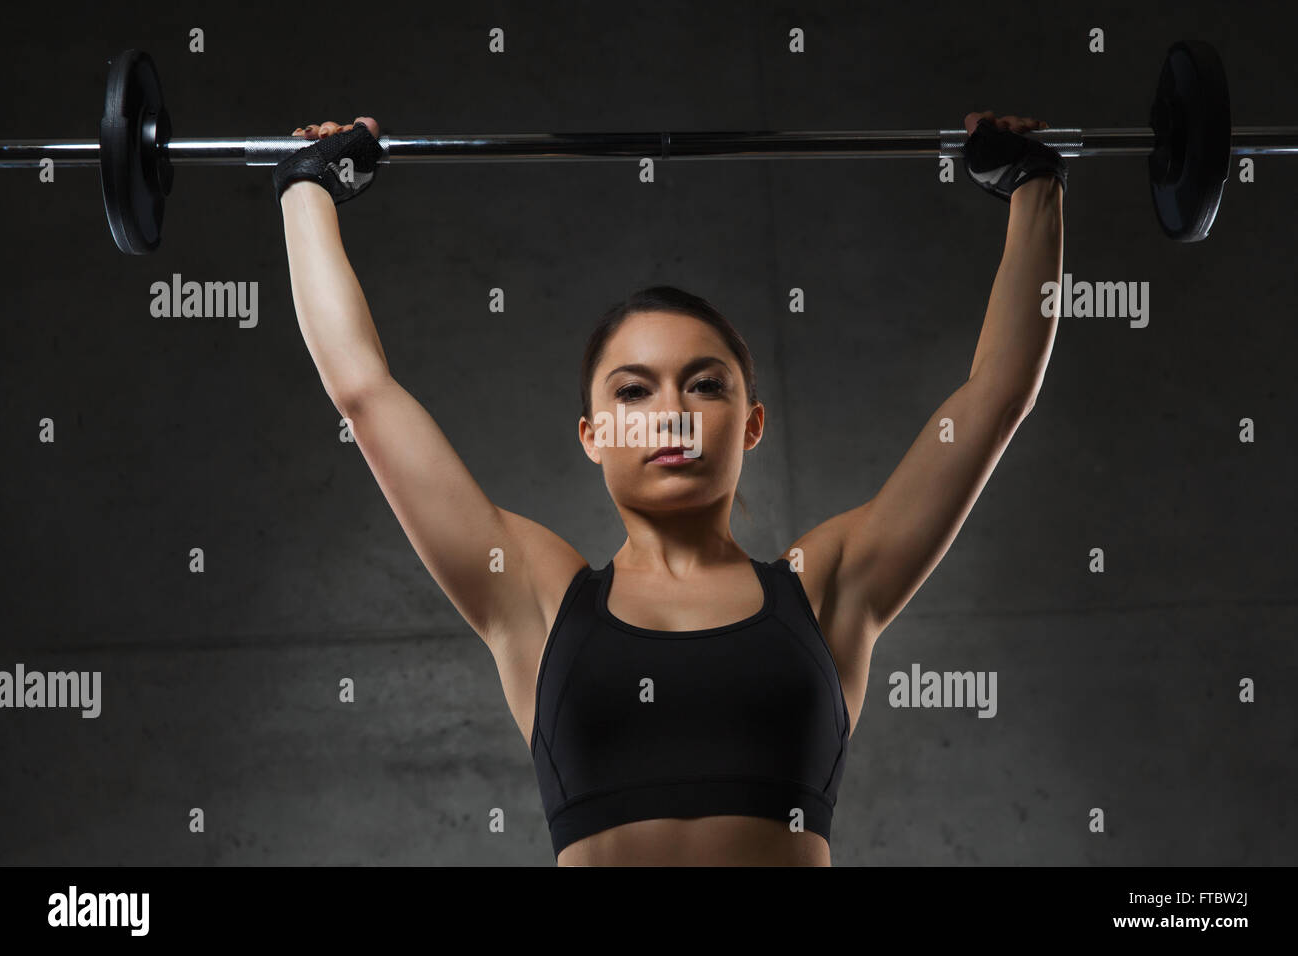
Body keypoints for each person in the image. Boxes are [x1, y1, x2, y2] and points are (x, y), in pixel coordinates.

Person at [273, 110, 1064, 865]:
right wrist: (308, 188)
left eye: (706, 385)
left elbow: (993, 401)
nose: (672, 416)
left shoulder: (824, 587)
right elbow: (365, 393)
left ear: (751, 425)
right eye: (632, 392)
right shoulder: (538, 596)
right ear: (592, 437)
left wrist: (1034, 187)